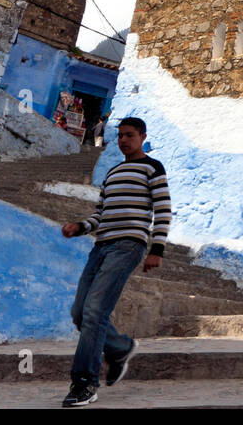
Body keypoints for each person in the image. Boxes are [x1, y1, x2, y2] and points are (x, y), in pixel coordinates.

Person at [60, 117, 172, 407]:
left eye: (129, 135)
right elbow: (101, 214)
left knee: (95, 311)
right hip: (101, 247)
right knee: (79, 313)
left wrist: (156, 249)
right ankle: (120, 348)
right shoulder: (112, 173)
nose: (123, 140)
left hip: (128, 246)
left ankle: (84, 383)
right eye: (120, 136)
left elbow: (162, 211)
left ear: (143, 137)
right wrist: (80, 226)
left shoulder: (153, 167)